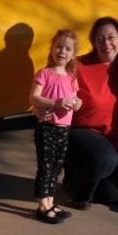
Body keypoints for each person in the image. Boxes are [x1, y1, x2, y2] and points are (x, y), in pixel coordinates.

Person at [62, 16, 118, 209]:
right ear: (93, 42)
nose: (106, 43)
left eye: (111, 37)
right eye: (100, 39)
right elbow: (54, 76)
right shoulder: (79, 65)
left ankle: (87, 173)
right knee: (105, 160)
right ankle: (78, 192)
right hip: (80, 131)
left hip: (110, 136)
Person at [29, 28, 81, 224]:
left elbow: (74, 98)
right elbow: (34, 97)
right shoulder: (44, 73)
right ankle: (42, 206)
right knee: (46, 166)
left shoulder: (71, 77)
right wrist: (55, 103)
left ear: (73, 54)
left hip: (64, 128)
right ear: (52, 49)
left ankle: (50, 201)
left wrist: (78, 103)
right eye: (59, 47)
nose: (62, 52)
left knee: (57, 167)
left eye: (68, 49)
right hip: (47, 127)